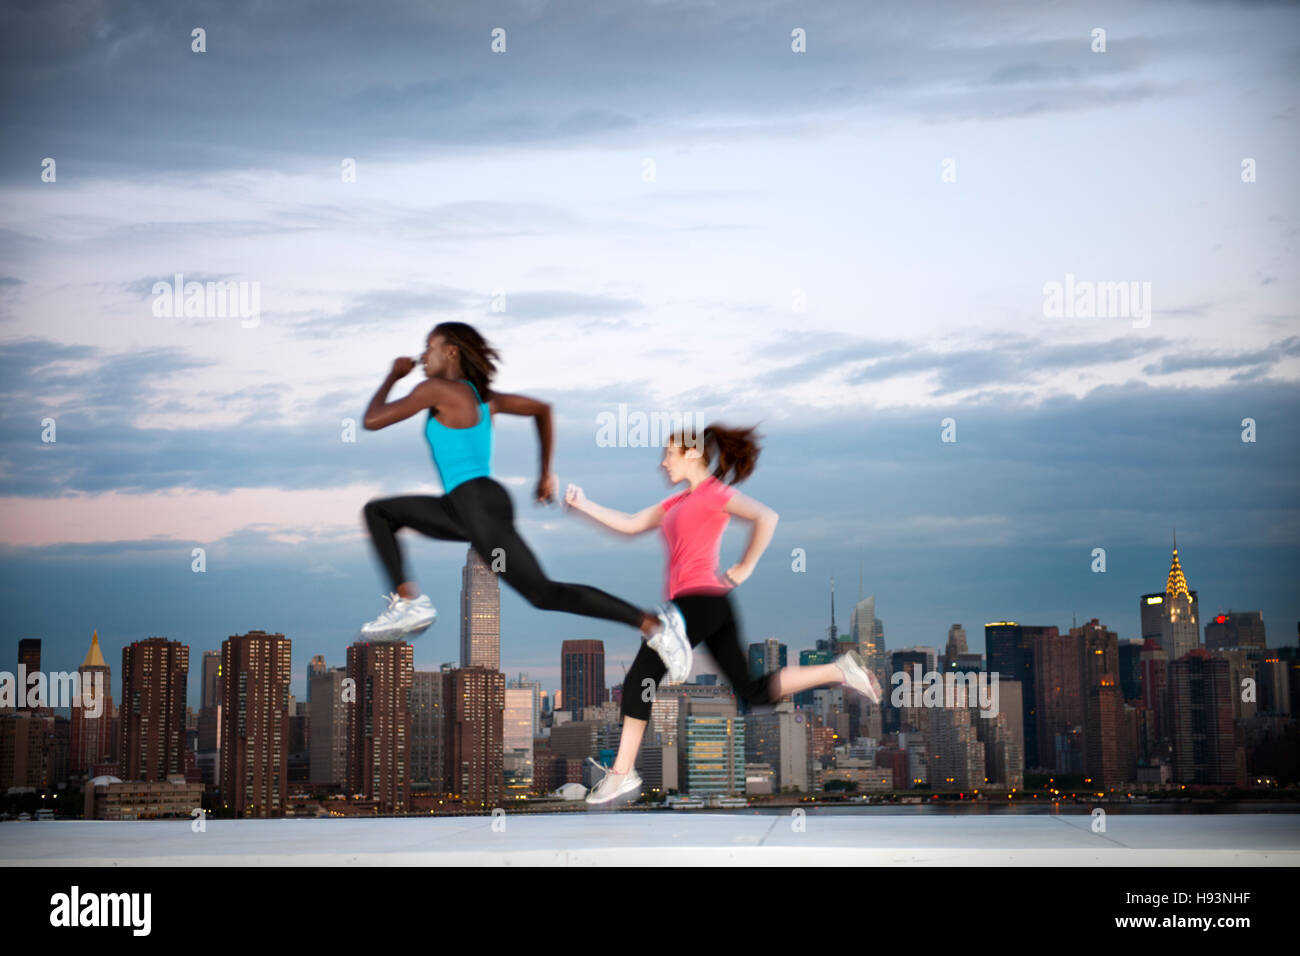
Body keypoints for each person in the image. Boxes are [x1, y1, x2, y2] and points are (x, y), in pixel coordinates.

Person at [564, 424, 882, 807]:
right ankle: (839, 670)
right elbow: (631, 524)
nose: (663, 463)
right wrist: (583, 504)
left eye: (669, 454)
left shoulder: (715, 493)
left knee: (640, 676)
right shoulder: (675, 504)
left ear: (693, 453)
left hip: (697, 602)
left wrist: (746, 565)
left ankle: (621, 774)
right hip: (710, 607)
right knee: (751, 690)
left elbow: (767, 517)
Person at [357, 321, 690, 674]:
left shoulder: (436, 388)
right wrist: (545, 472)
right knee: (544, 594)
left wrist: (393, 376)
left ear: (451, 350)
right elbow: (542, 409)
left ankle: (410, 602)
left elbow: (372, 419)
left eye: (430, 346)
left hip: (472, 502)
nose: (423, 356)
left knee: (378, 513)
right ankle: (652, 624)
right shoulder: (487, 400)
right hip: (474, 505)